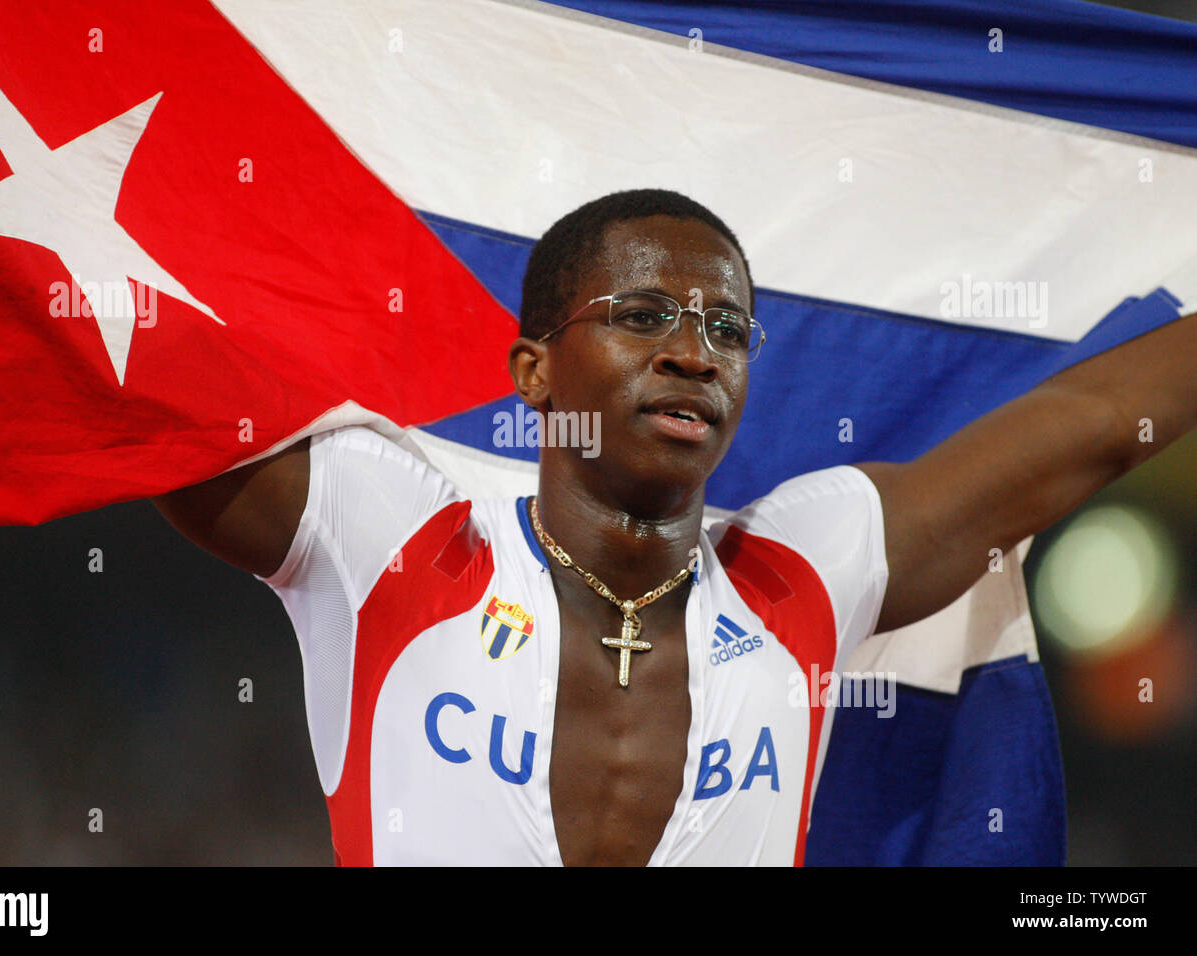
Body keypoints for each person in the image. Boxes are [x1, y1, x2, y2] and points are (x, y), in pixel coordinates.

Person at [152, 189, 1196, 866]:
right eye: (643, 315)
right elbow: (132, 398)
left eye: (727, 329)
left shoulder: (808, 570)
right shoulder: (391, 540)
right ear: (534, 371)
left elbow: (1099, 420)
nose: (695, 353)